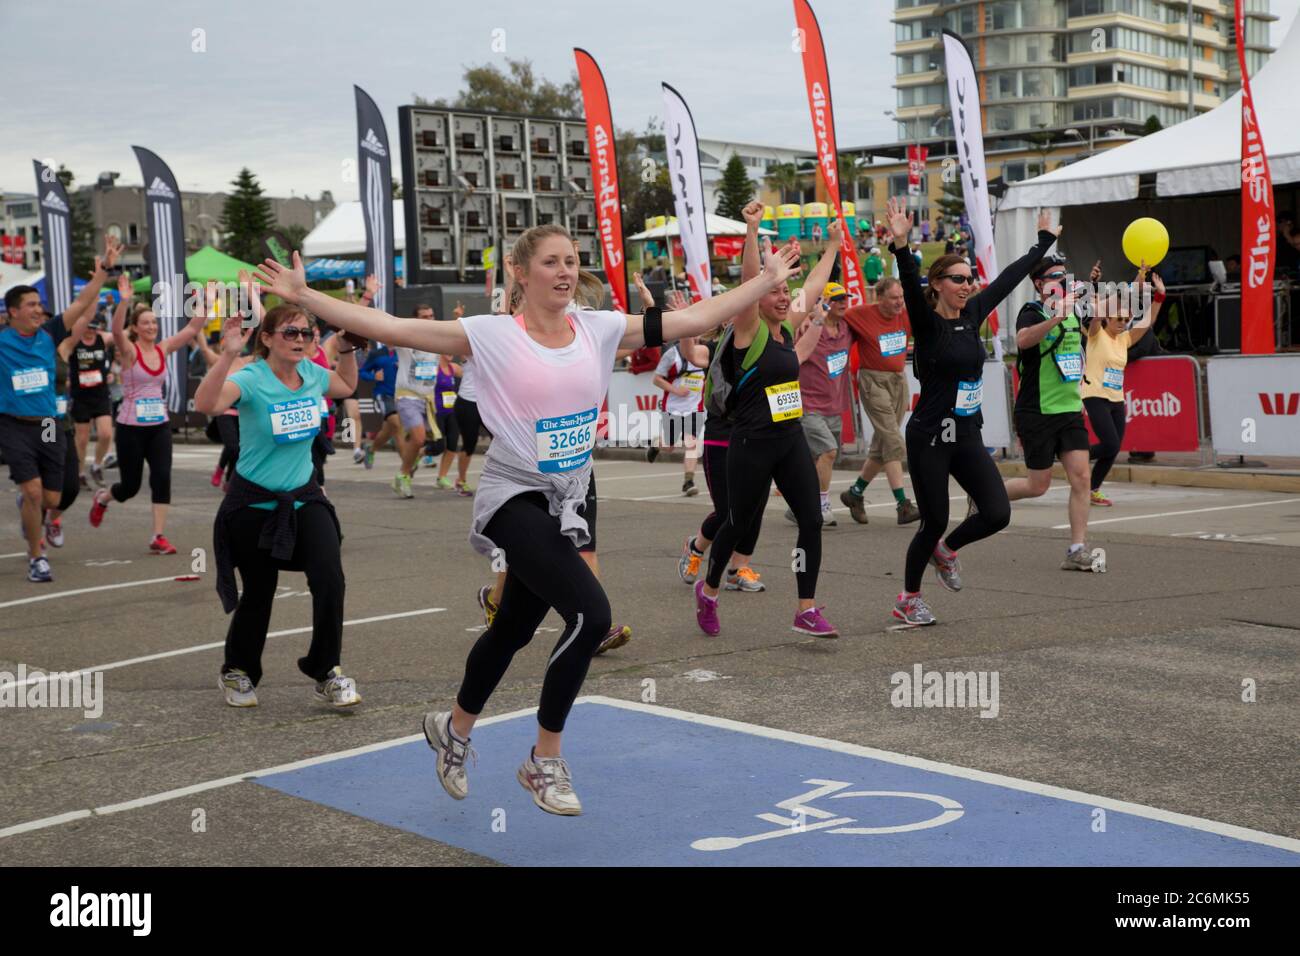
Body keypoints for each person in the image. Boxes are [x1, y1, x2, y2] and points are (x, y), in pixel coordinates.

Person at [253, 226, 800, 814]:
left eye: (571, 261)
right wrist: (306, 298)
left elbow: (693, 319)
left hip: (572, 495)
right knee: (592, 617)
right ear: (521, 272)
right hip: (514, 495)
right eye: (550, 262)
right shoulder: (490, 335)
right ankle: (544, 759)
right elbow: (392, 326)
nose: (565, 271)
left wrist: (763, 282)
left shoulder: (598, 327)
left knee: (512, 628)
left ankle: (453, 729)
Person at [887, 197, 1061, 626]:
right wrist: (901, 245)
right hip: (930, 436)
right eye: (958, 279)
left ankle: (947, 552)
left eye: (969, 279)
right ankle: (908, 598)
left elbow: (1006, 279)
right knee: (933, 521)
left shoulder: (975, 313)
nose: (967, 286)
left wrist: (1041, 244)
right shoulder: (928, 325)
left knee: (998, 512)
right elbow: (909, 283)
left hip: (964, 433)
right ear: (938, 284)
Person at [197, 272, 361, 709]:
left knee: (330, 578)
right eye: (290, 331)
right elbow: (207, 405)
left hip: (305, 497)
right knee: (260, 591)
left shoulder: (312, 373)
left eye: (307, 332)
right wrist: (227, 354)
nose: (302, 338)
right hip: (253, 503)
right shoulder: (250, 379)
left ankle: (326, 669)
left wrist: (345, 350)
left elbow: (346, 386)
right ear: (266, 338)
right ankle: (238, 672)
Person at [693, 215, 842, 639]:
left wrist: (832, 245)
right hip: (750, 442)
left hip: (788, 438)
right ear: (757, 298)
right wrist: (753, 232)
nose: (783, 297)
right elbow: (747, 283)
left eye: (785, 291)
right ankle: (710, 589)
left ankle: (805, 609)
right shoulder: (749, 330)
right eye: (773, 291)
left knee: (811, 520)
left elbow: (812, 287)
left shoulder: (785, 330)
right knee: (737, 524)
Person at [0, 237, 120, 581]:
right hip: (13, 424)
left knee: (52, 497)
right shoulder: (2, 341)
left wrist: (104, 271)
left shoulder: (50, 334)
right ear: (13, 311)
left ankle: (33, 509)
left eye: (40, 304)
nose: (38, 309)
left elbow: (82, 302)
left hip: (50, 424)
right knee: (34, 490)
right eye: (31, 305)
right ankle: (36, 557)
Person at [678, 202, 771, 594]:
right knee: (731, 509)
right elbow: (691, 355)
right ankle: (698, 546)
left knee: (755, 506)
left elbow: (761, 286)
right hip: (721, 434)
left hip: (759, 433)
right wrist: (685, 325)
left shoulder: (764, 337)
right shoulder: (717, 346)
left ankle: (739, 570)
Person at [88, 273, 206, 553]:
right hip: (131, 427)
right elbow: (116, 332)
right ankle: (104, 498)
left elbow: (192, 330)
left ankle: (158, 536)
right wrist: (124, 302)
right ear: (136, 328)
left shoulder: (163, 349)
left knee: (162, 477)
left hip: (159, 425)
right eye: (146, 323)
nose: (152, 326)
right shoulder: (129, 351)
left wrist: (204, 301)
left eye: (154, 322)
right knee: (130, 487)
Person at [1003, 252, 1098, 572]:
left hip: (1070, 409)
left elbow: (1097, 333)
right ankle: (987, 498)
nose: (1063, 281)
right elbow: (1023, 340)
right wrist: (1056, 316)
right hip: (1037, 410)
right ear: (1040, 284)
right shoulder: (1031, 312)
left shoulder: (1075, 313)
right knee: (1037, 485)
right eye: (1056, 277)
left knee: (1082, 478)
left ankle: (1077, 548)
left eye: (1065, 276)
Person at [841, 276, 921, 525]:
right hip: (873, 381)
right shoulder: (861, 314)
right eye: (894, 298)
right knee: (893, 441)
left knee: (882, 446)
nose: (899, 303)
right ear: (880, 297)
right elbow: (835, 316)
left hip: (898, 380)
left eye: (901, 297)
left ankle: (854, 494)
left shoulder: (905, 315)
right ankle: (902, 504)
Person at [1083, 267, 1164, 506]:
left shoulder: (1125, 339)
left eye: (1126, 319)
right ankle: (1075, 457)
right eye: (1119, 318)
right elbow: (1098, 312)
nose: (1123, 322)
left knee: (1114, 448)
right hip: (1095, 395)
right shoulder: (1096, 335)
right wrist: (1131, 287)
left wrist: (1160, 296)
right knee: (1109, 444)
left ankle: (1092, 489)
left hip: (1116, 399)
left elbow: (1148, 321)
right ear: (1108, 318)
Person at [789, 281, 853, 528]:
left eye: (844, 298)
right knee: (828, 452)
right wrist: (807, 316)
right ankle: (822, 505)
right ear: (825, 303)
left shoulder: (848, 328)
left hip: (834, 405)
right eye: (836, 299)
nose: (842, 303)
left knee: (820, 460)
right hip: (808, 405)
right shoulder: (807, 330)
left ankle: (800, 507)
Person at [650, 306, 708, 498]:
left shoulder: (705, 353)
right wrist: (676, 390)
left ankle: (688, 481)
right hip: (673, 406)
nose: (696, 336)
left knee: (691, 444)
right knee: (669, 446)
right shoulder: (672, 355)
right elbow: (657, 378)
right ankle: (657, 445)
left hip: (695, 407)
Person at [390, 304, 443, 498]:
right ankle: (403, 474)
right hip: (407, 396)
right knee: (419, 438)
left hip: (427, 399)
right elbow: (390, 331)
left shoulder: (438, 341)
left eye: (431, 316)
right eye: (424, 317)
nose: (429, 320)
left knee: (428, 443)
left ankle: (408, 467)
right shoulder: (406, 339)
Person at [61, 313, 115, 489]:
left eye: (93, 328)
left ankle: (97, 465)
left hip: (100, 395)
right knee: (82, 439)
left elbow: (120, 335)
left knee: (106, 434)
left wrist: (111, 370)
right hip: (81, 397)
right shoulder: (73, 342)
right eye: (87, 327)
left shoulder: (103, 339)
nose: (90, 331)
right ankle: (79, 473)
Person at [358, 341, 399, 469]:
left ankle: (371, 449)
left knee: (389, 429)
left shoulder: (404, 353)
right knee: (397, 424)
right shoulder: (377, 354)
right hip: (384, 394)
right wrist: (373, 376)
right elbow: (362, 372)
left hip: (402, 395)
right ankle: (407, 465)